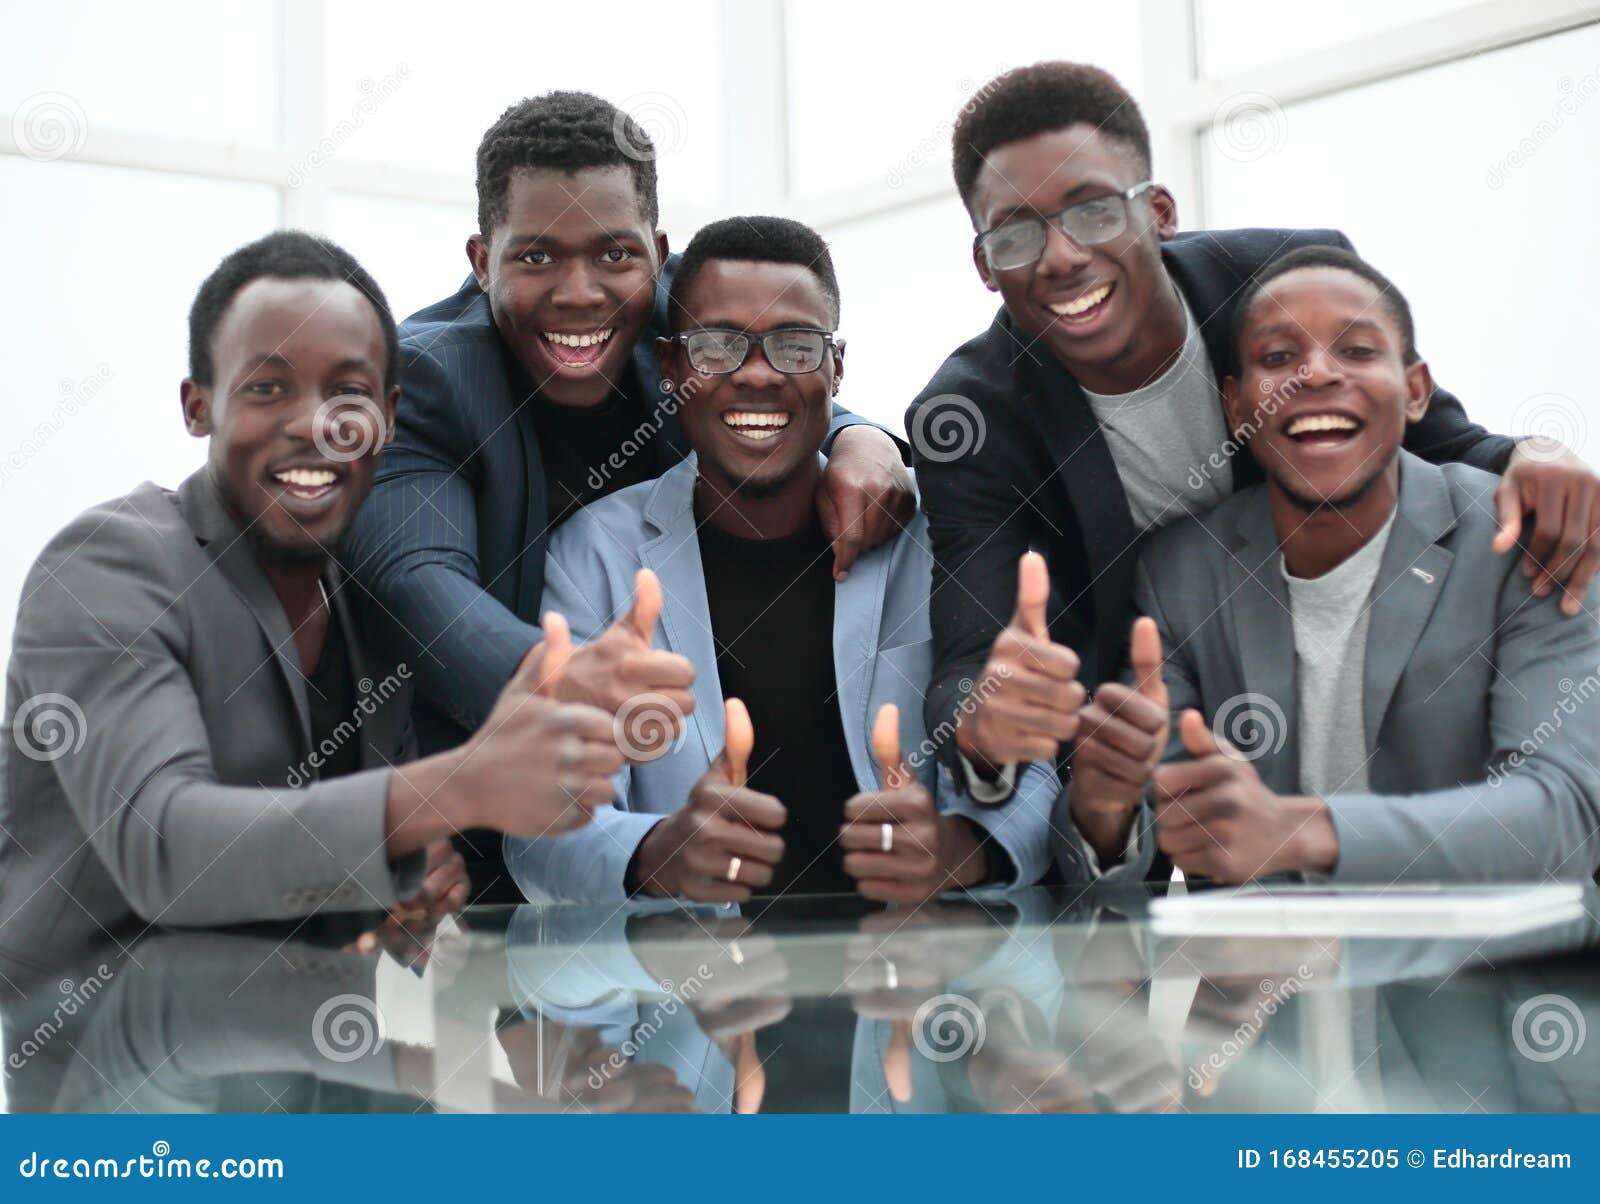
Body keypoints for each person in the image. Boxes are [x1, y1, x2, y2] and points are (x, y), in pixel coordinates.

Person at [907, 62, 1600, 841]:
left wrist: (1536, 452)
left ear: (1160, 212)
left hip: (1352, 658)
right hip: (1141, 744)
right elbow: (974, 651)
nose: (1062, 256)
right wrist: (981, 728)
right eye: (1017, 232)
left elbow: (1439, 438)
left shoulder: (1284, 282)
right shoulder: (969, 413)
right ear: (984, 267)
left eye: (1094, 211)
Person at [342, 92, 914, 898]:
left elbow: (780, 375)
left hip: (694, 842)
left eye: (614, 255)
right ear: (480, 260)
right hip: (471, 841)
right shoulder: (428, 378)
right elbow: (418, 585)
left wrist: (860, 436)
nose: (581, 293)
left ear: (657, 254)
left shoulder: (676, 315)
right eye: (536, 257)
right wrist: (575, 688)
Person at [0, 231, 623, 972]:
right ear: (198, 407)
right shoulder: (106, 566)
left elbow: (342, 868)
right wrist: (459, 786)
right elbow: (165, 847)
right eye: (267, 388)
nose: (314, 424)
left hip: (310, 1059)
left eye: (349, 393)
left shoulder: (364, 605)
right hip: (99, 1062)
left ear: (388, 419)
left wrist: (406, 887)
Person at [506, 217, 1053, 904]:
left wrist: (961, 848)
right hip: (691, 991)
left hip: (908, 983)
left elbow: (1035, 773)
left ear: (837, 366)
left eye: (794, 345)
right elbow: (536, 823)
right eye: (717, 347)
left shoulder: (936, 538)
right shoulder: (595, 555)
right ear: (674, 370)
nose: (757, 374)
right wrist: (654, 854)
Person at [1064, 245, 1600, 883]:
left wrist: (1301, 832)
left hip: (1488, 975)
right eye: (1279, 357)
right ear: (1235, 405)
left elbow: (1562, 815)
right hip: (1269, 977)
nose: (1316, 374)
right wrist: (1105, 811)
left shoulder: (1521, 538)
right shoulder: (1179, 573)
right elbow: (1148, 837)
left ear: (1415, 390)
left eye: (1357, 351)